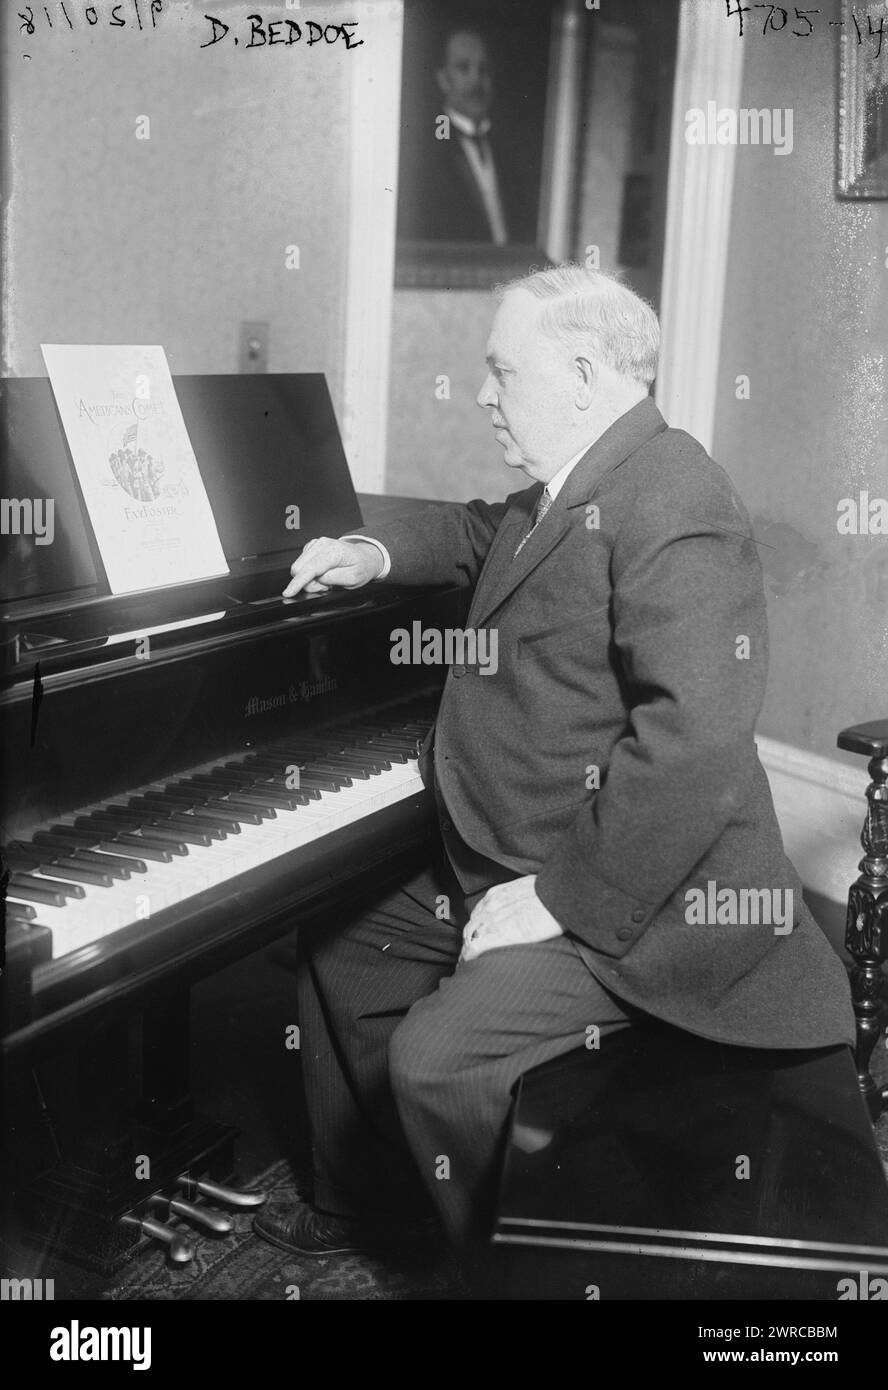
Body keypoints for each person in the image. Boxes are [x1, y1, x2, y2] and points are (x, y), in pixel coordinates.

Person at [253, 265, 854, 1271]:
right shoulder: (580, 479)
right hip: (519, 843)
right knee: (344, 941)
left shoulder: (677, 498)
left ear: (581, 373)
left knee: (439, 1061)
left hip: (653, 904)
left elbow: (695, 746)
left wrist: (561, 900)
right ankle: (374, 1202)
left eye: (500, 372)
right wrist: (365, 547)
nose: (482, 395)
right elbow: (478, 532)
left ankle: (514, 1269)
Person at [397, 26, 536, 244]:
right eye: (464, 68)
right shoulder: (422, 148)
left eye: (484, 69)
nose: (476, 80)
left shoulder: (509, 149)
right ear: (443, 79)